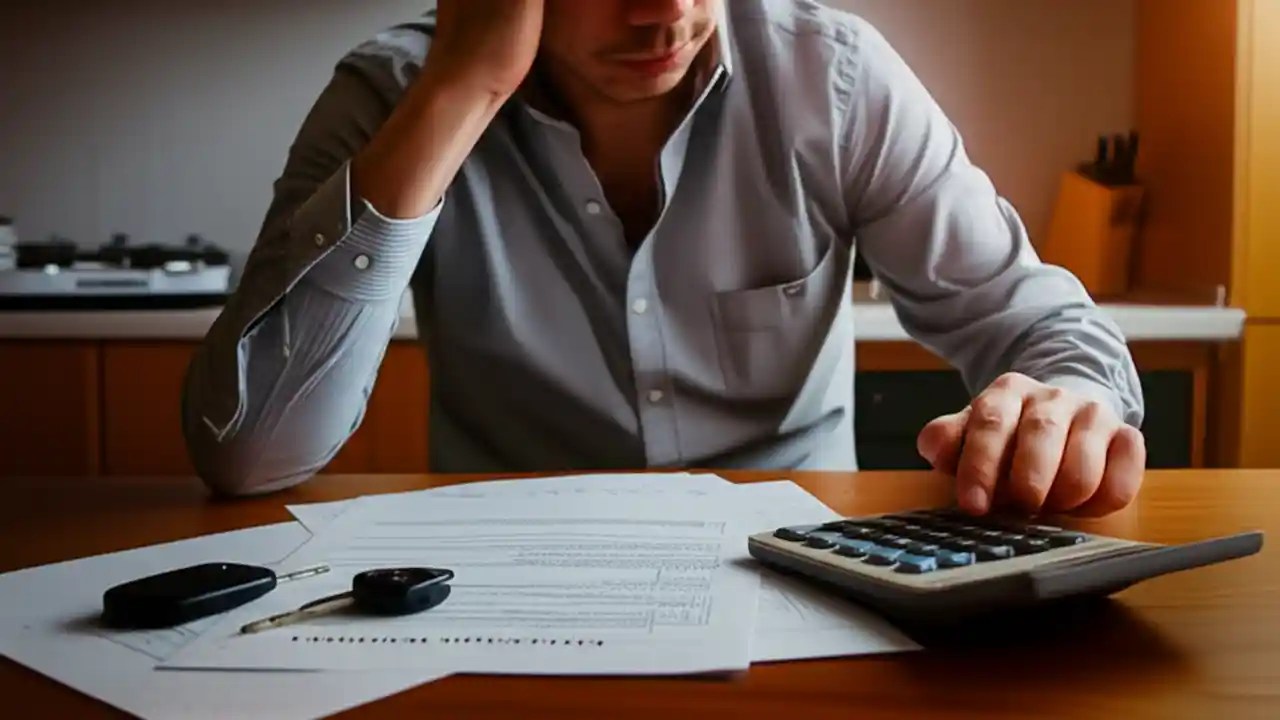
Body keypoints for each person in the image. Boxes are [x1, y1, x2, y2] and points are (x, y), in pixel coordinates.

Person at [181, 0, 1147, 517]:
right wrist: (462, 91)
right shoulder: (393, 95)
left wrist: (1067, 398)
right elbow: (250, 453)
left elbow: (1038, 322)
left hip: (804, 579)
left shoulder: (835, 78)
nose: (667, 12)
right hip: (508, 595)